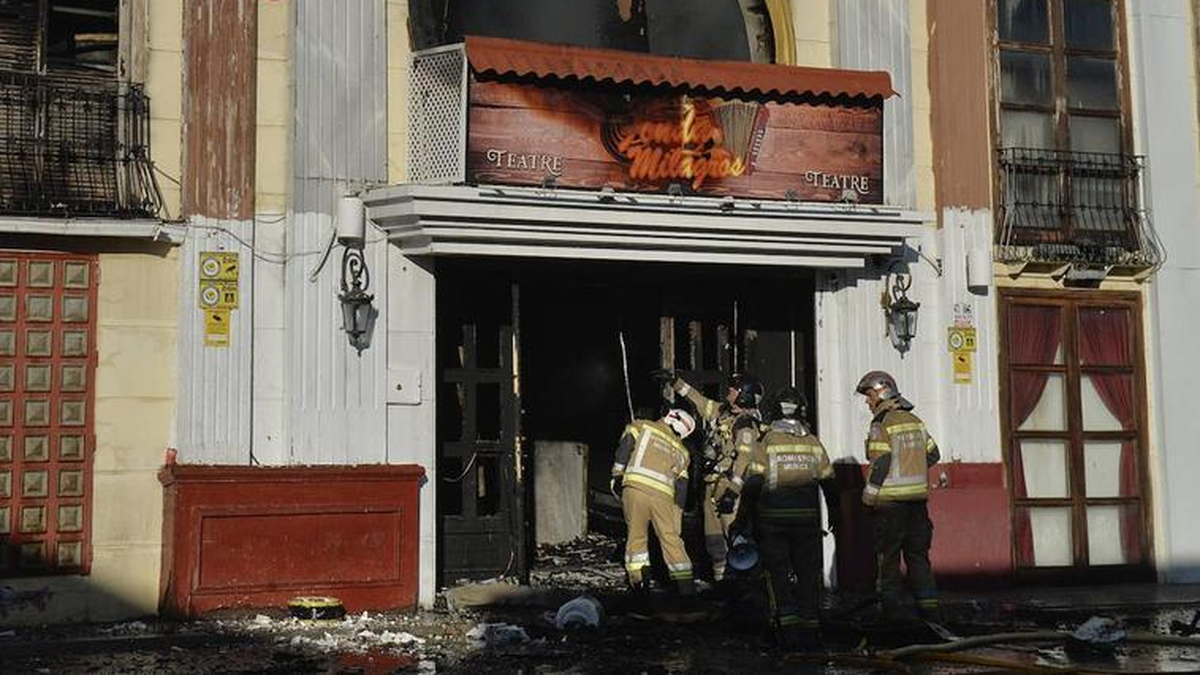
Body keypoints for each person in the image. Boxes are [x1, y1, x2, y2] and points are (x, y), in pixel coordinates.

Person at [731, 386, 839, 649]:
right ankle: (811, 631)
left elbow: (754, 483)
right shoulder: (814, 443)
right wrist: (836, 514)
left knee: (777, 575)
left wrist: (742, 519)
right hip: (807, 523)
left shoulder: (767, 442)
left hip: (773, 523)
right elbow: (829, 483)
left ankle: (787, 631)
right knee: (807, 576)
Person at [655, 370, 762, 583]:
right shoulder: (721, 413)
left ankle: (746, 587)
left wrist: (733, 492)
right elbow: (698, 399)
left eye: (734, 389)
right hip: (710, 485)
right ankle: (721, 584)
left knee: (736, 539)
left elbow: (743, 459)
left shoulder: (745, 425)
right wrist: (675, 382)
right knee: (713, 541)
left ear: (744, 395)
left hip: (728, 486)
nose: (729, 392)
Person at [855, 370, 940, 621]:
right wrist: (911, 468)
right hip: (917, 505)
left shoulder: (881, 423)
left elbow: (880, 462)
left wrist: (868, 498)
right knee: (919, 559)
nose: (867, 401)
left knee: (888, 559)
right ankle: (931, 612)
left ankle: (890, 614)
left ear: (882, 393)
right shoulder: (915, 421)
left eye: (869, 395)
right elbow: (934, 455)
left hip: (890, 505)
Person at [610, 408, 697, 595]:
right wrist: (677, 515)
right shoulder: (683, 452)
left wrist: (617, 476)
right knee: (671, 539)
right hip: (663, 498)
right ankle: (686, 588)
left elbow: (624, 448)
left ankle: (639, 584)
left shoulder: (641, 426)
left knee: (636, 537)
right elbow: (682, 487)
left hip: (634, 490)